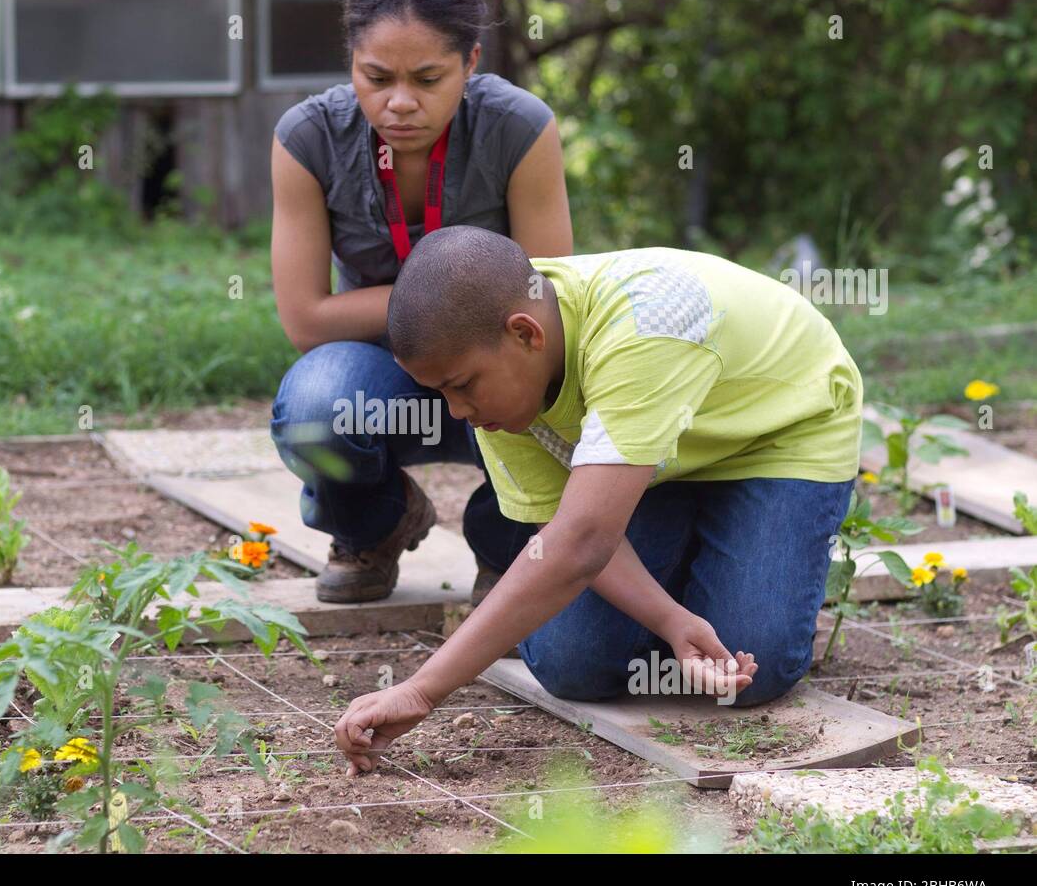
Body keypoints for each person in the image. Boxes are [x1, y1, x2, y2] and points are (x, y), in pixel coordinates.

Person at [333, 226, 864, 775]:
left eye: (463, 386)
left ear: (526, 334)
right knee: (572, 664)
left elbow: (581, 542)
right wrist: (670, 618)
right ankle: (699, 573)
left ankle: (727, 557)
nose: (458, 410)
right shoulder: (492, 376)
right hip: (655, 458)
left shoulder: (646, 326)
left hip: (778, 436)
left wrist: (423, 690)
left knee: (755, 663)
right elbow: (561, 538)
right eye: (441, 391)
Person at [269, 0, 573, 604]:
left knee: (544, 380)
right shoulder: (308, 139)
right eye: (375, 77)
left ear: (471, 62)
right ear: (351, 59)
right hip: (379, 373)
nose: (399, 103)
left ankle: (504, 549)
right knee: (311, 411)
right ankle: (374, 524)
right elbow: (305, 320)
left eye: (429, 78)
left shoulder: (519, 127)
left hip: (496, 373)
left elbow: (547, 301)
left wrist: (463, 320)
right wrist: (458, 299)